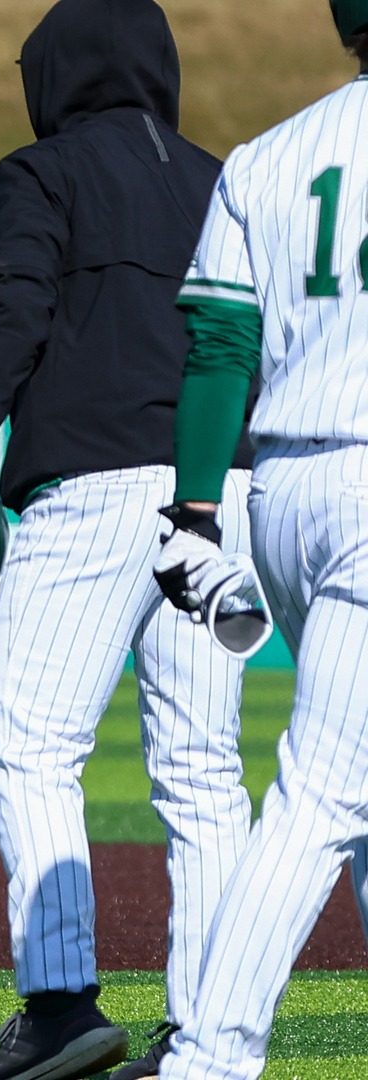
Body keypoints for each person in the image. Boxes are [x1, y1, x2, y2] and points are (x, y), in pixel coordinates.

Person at [0, 3, 256, 1078]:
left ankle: (62, 1006)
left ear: (54, 72)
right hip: (224, 487)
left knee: (30, 745)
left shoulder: (41, 171)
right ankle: (211, 1037)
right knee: (203, 774)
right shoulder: (224, 179)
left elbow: (15, 308)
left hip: (98, 483)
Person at [150, 4, 368, 1077]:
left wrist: (196, 513)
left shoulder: (269, 155)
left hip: (285, 491)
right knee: (324, 792)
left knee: (359, 793)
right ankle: (209, 1057)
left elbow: (221, 345)